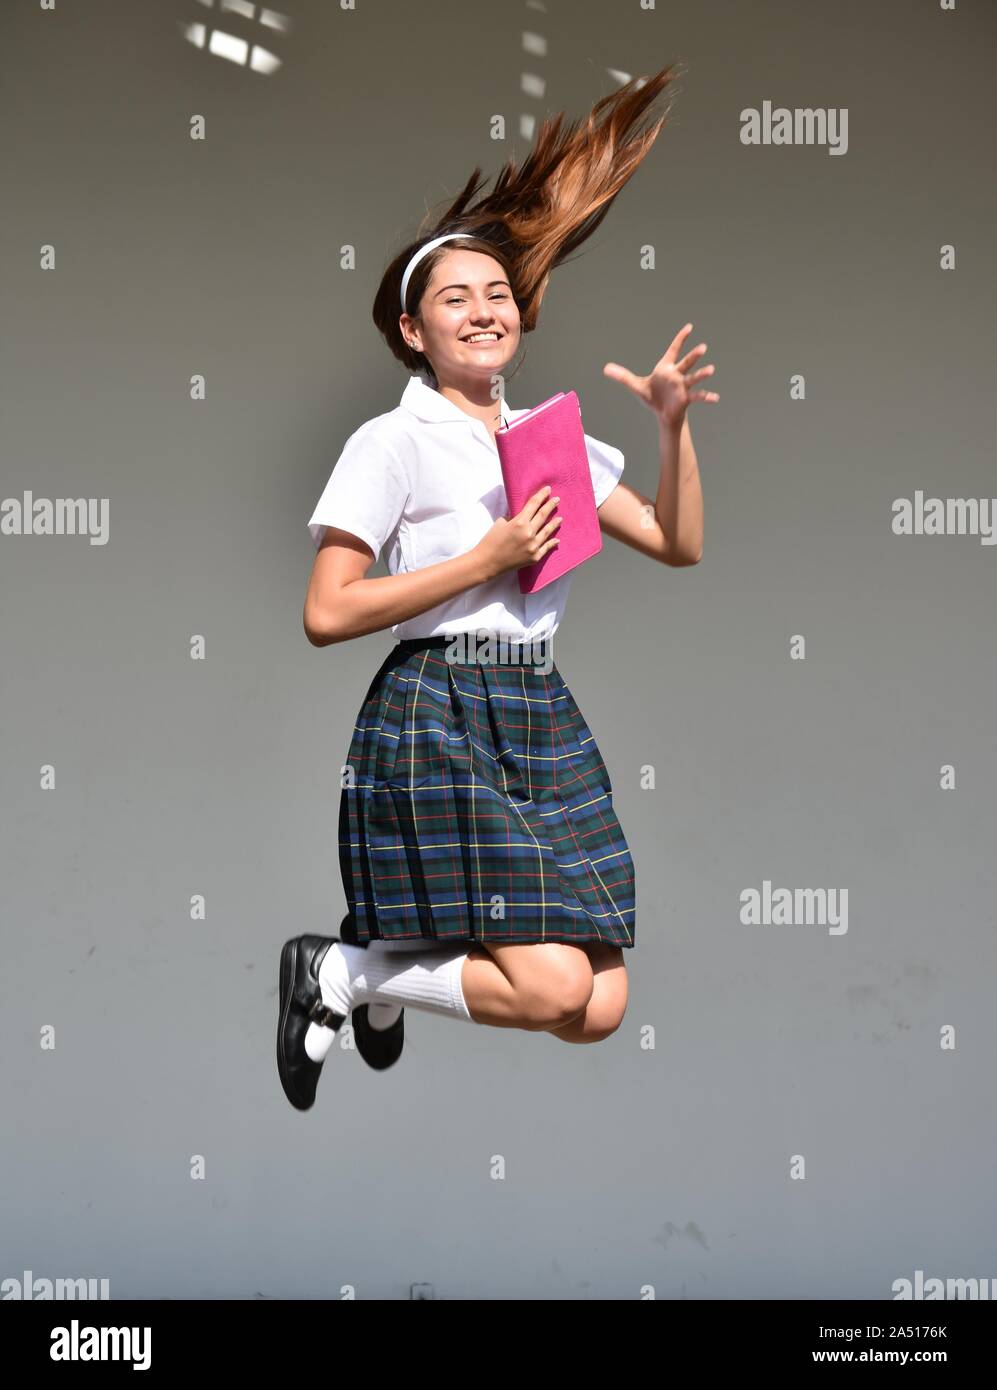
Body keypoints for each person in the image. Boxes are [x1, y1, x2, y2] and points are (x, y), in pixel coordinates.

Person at [277, 62, 718, 1111]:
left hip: (536, 708)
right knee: (552, 977)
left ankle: (370, 973)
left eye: (497, 295)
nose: (483, 311)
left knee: (598, 1006)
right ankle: (338, 972)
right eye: (453, 299)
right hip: (436, 707)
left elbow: (675, 540)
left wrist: (671, 425)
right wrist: (479, 560)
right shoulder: (390, 443)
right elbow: (326, 611)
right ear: (410, 331)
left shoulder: (547, 437)